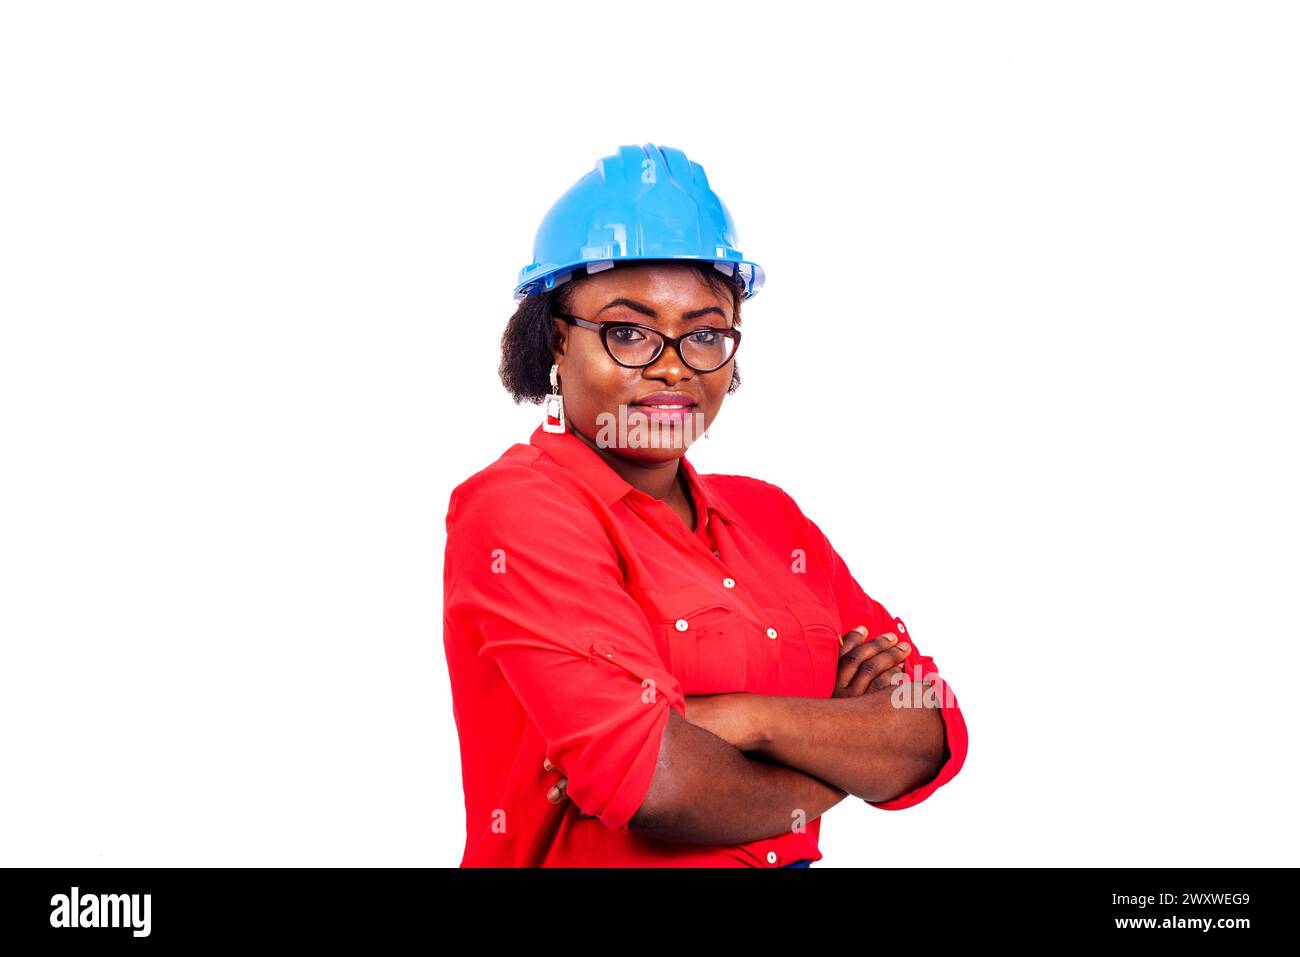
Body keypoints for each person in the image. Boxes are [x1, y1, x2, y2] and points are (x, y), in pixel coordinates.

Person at [442, 144, 967, 867]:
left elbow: (932, 728)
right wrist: (842, 750)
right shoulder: (519, 509)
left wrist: (746, 719)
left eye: (705, 332)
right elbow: (658, 783)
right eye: (628, 330)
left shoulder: (772, 520)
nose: (671, 362)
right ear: (556, 338)